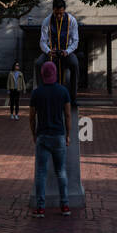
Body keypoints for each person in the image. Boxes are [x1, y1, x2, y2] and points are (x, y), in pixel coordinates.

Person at [29, 60, 71, 217]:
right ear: (55, 73)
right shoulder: (63, 91)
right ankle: (65, 205)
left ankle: (40, 208)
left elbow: (31, 117)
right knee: (61, 172)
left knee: (41, 173)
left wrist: (34, 134)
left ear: (42, 74)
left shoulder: (36, 93)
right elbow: (67, 115)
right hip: (59, 135)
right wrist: (68, 135)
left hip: (42, 136)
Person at [36, 0, 79, 107]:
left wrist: (67, 51)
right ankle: (41, 96)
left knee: (75, 64)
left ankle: (73, 98)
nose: (59, 16)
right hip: (51, 51)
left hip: (66, 51)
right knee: (39, 63)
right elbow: (42, 41)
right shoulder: (47, 21)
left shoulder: (72, 21)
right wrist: (49, 51)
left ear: (64, 10)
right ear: (53, 10)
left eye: (61, 13)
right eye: (56, 14)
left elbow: (75, 41)